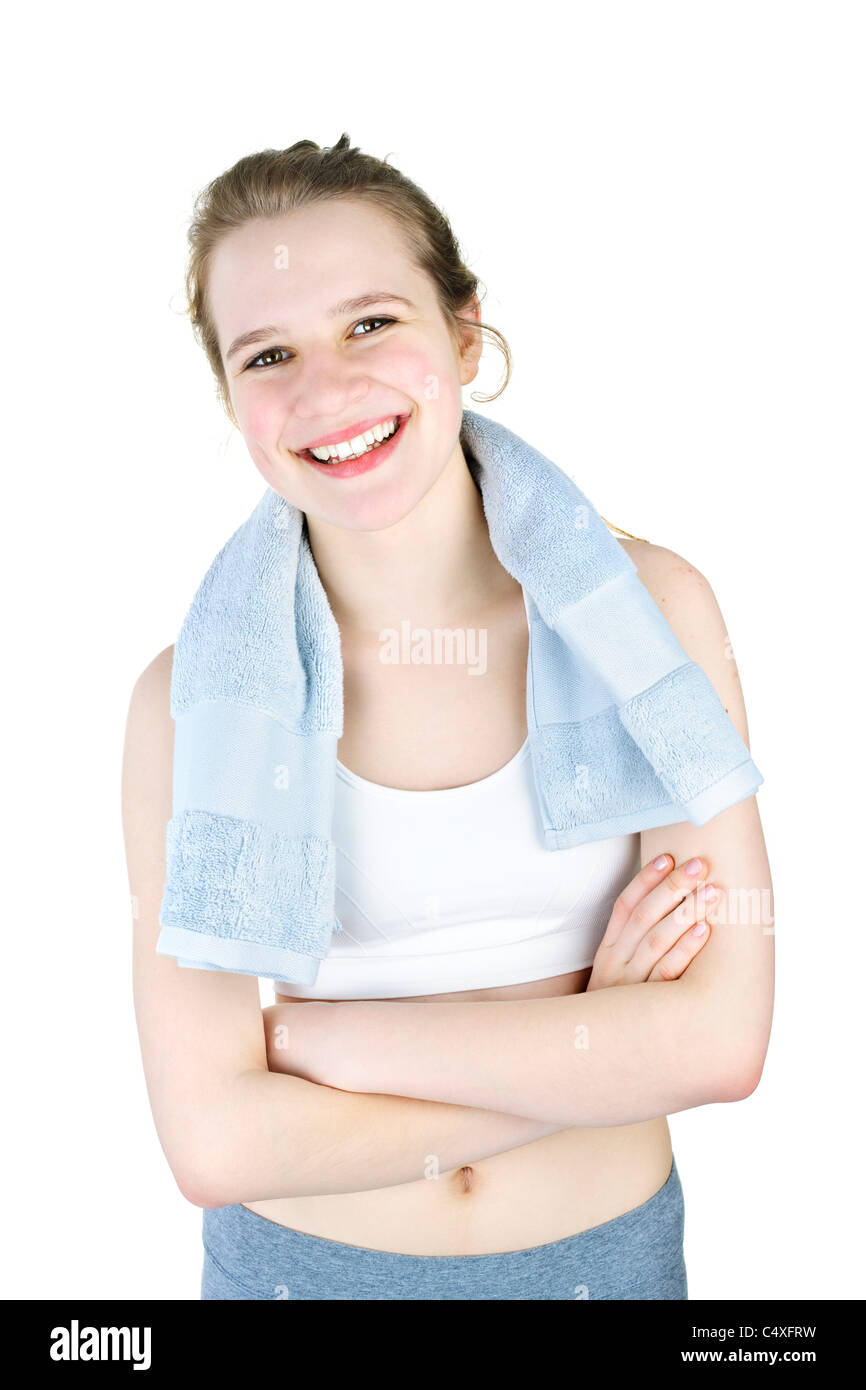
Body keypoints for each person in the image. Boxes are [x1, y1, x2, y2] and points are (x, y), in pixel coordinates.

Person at [121, 134, 774, 1300]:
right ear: (233, 397)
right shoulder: (189, 705)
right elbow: (214, 1145)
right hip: (300, 1276)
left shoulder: (649, 618)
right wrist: (593, 1050)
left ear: (464, 334)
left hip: (603, 1267)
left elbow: (720, 1045)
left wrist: (323, 1045)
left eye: (370, 323)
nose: (326, 390)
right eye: (269, 353)